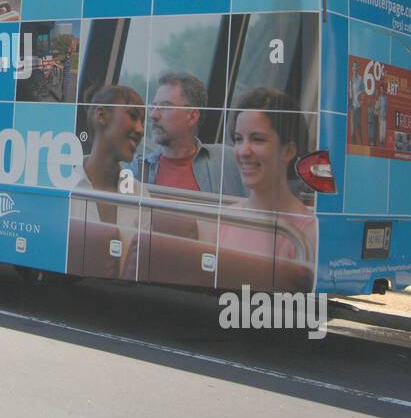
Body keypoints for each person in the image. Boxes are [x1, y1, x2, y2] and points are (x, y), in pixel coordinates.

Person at [218, 87, 316, 291]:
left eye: (258, 139)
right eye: (238, 139)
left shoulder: (308, 234)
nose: (243, 151)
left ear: (288, 150)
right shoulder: (226, 218)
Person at [71, 84, 145, 280]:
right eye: (133, 116)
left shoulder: (140, 194)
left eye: (143, 121)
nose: (141, 129)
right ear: (101, 116)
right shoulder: (64, 185)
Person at [131, 72, 245, 198]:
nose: (153, 115)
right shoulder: (136, 169)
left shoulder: (227, 161)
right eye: (153, 107)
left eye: (165, 106)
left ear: (192, 116)